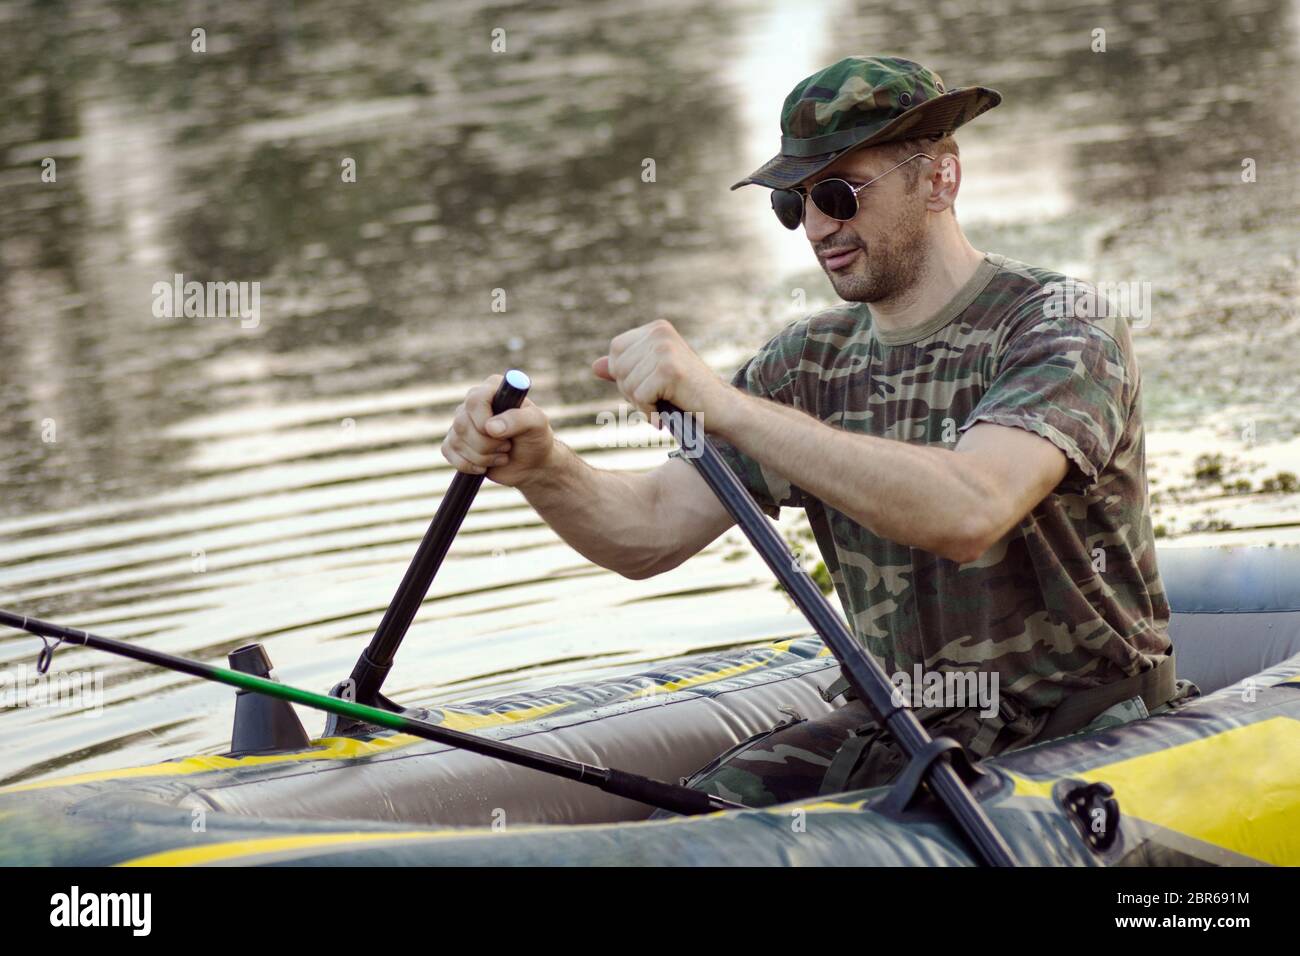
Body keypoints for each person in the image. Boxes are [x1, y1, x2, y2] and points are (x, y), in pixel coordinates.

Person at [442, 55, 1190, 808]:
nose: (820, 226)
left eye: (839, 192)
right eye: (795, 203)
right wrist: (542, 465)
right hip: (905, 725)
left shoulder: (1060, 324)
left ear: (939, 180)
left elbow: (971, 510)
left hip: (1085, 726)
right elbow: (651, 531)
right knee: (691, 828)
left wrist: (723, 405)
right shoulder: (804, 364)